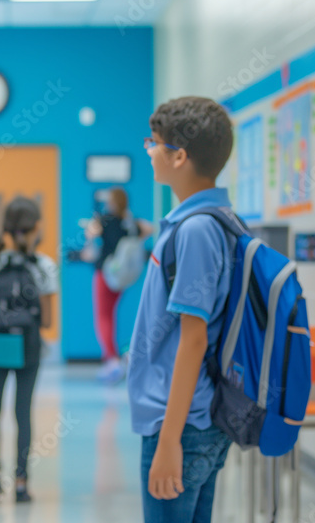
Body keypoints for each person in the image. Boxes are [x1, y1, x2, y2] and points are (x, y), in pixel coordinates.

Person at [128, 96, 236, 523]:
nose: (150, 150)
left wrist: (169, 440)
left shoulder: (196, 231)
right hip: (194, 418)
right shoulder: (210, 219)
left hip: (180, 424)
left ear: (179, 155)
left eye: (153, 143)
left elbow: (194, 338)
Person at [0, 197, 58, 504]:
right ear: (36, 228)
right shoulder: (45, 266)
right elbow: (48, 322)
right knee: (22, 411)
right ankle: (22, 482)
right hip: (28, 347)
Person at [85, 187, 152, 383]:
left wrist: (91, 230)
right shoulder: (131, 223)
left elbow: (91, 234)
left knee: (103, 317)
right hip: (122, 277)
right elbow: (149, 229)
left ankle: (111, 360)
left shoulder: (104, 220)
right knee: (111, 314)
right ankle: (114, 359)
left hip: (105, 273)